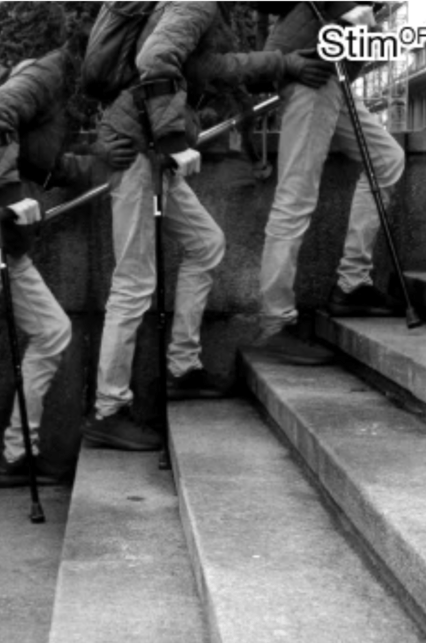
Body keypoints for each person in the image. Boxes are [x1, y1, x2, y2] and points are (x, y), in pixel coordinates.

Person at [80, 1, 335, 451]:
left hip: (151, 145)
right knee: (134, 282)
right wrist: (174, 140)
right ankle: (108, 409)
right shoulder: (196, 1)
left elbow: (207, 67)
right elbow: (155, 60)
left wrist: (278, 65)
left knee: (206, 243)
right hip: (142, 148)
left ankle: (182, 367)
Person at [0, 37, 138, 536]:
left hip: (9, 244)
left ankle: (17, 455)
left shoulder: (58, 90)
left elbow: (47, 163)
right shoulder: (48, 72)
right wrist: (10, 193)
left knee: (54, 332)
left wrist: (104, 161)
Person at [252, 2, 406, 365]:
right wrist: (349, 7)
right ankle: (275, 321)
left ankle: (352, 282)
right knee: (295, 197)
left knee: (386, 161)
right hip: (313, 73)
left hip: (333, 76)